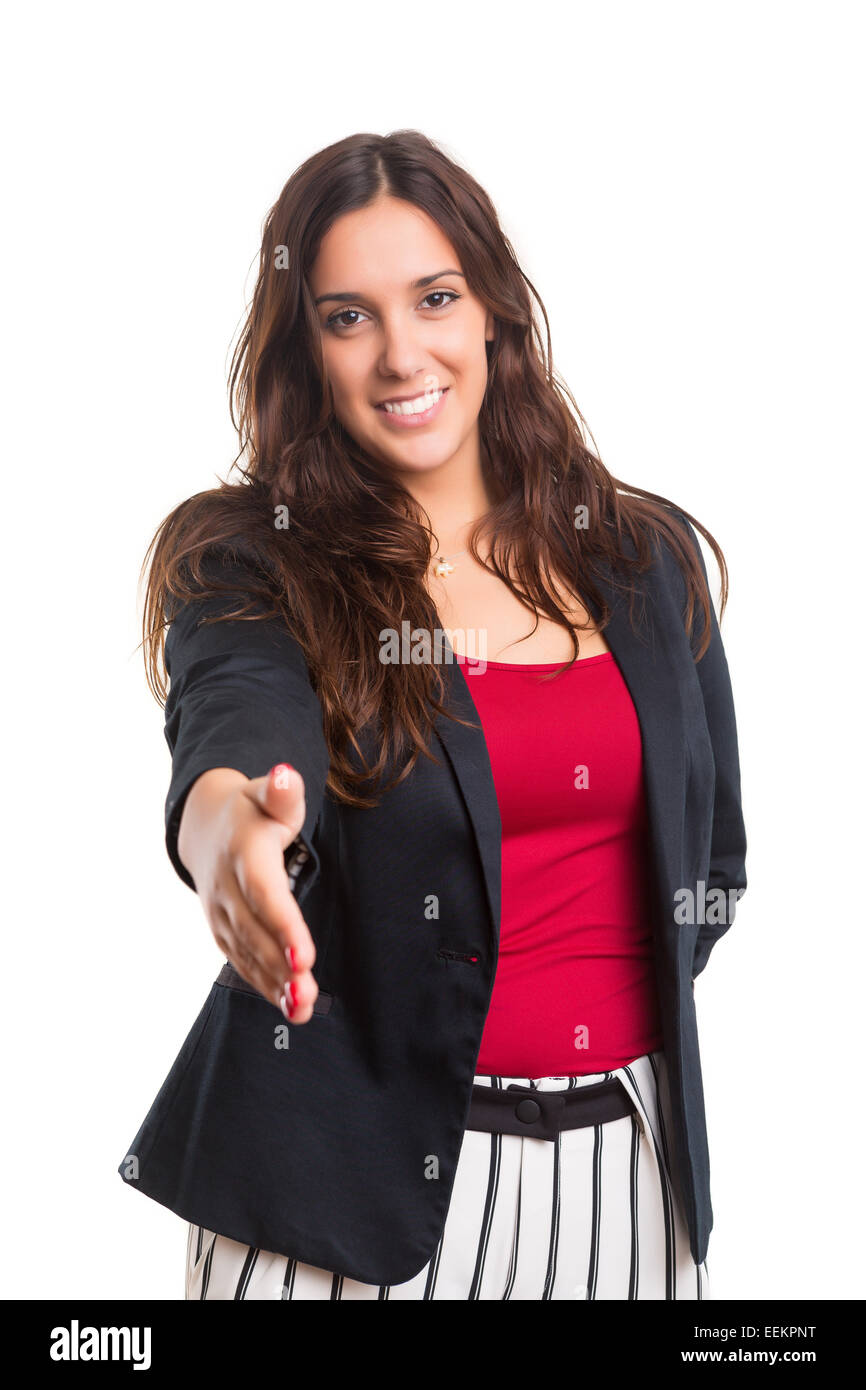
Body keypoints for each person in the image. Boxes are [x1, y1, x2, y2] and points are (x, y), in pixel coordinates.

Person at [118, 129, 747, 1300]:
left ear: (495, 311)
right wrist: (230, 843)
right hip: (333, 1203)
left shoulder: (642, 560)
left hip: (619, 1182)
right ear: (305, 348)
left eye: (435, 298)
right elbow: (233, 725)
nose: (401, 352)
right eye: (346, 315)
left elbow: (709, 862)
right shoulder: (259, 562)